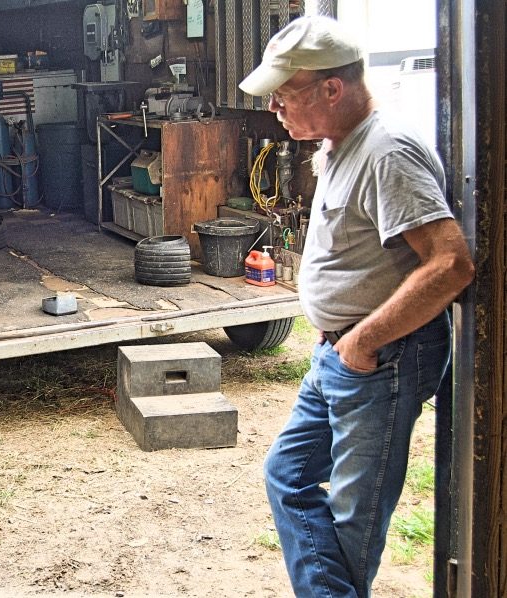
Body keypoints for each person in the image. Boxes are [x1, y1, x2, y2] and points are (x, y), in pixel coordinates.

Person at [239, 15, 474, 598]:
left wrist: (362, 343)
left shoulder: (387, 152)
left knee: (352, 528)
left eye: (284, 96)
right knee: (287, 476)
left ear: (332, 89)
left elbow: (450, 264)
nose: (275, 110)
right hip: (340, 356)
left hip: (380, 359)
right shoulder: (339, 145)